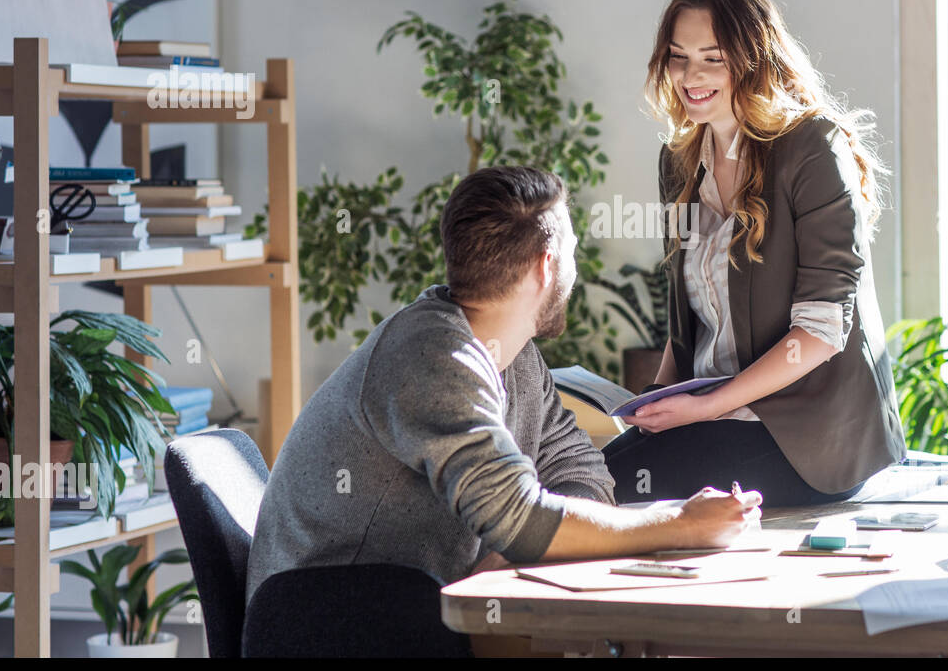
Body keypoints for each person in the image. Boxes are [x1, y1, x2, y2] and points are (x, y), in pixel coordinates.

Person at [246, 165, 762, 613]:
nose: (575, 268)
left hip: (413, 610)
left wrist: (522, 543)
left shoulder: (516, 358)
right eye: (573, 251)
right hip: (333, 623)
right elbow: (517, 514)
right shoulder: (434, 358)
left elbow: (581, 474)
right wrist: (679, 523)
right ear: (546, 265)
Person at [602, 0, 907, 508]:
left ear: (752, 57)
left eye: (712, 58)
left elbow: (820, 333)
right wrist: (654, 405)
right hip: (711, 417)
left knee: (601, 491)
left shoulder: (813, 148)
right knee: (586, 474)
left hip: (809, 439)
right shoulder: (679, 161)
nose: (690, 74)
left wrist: (706, 407)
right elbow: (686, 329)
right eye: (678, 56)